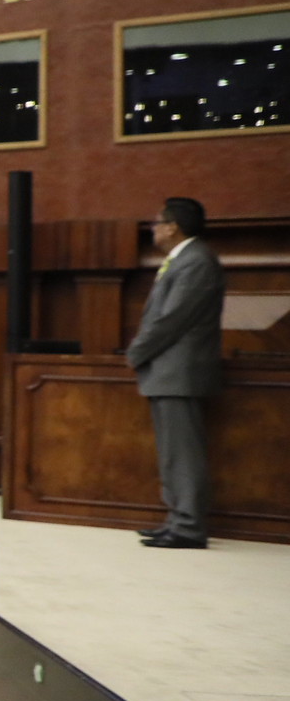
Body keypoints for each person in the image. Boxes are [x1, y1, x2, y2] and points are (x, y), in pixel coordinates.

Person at [126, 196, 225, 550]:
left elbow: (172, 319)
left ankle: (188, 527)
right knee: (173, 452)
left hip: (180, 371)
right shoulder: (184, 259)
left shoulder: (197, 261)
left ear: (173, 227)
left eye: (157, 222)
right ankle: (176, 519)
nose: (154, 228)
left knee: (183, 453)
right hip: (169, 371)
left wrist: (136, 352)